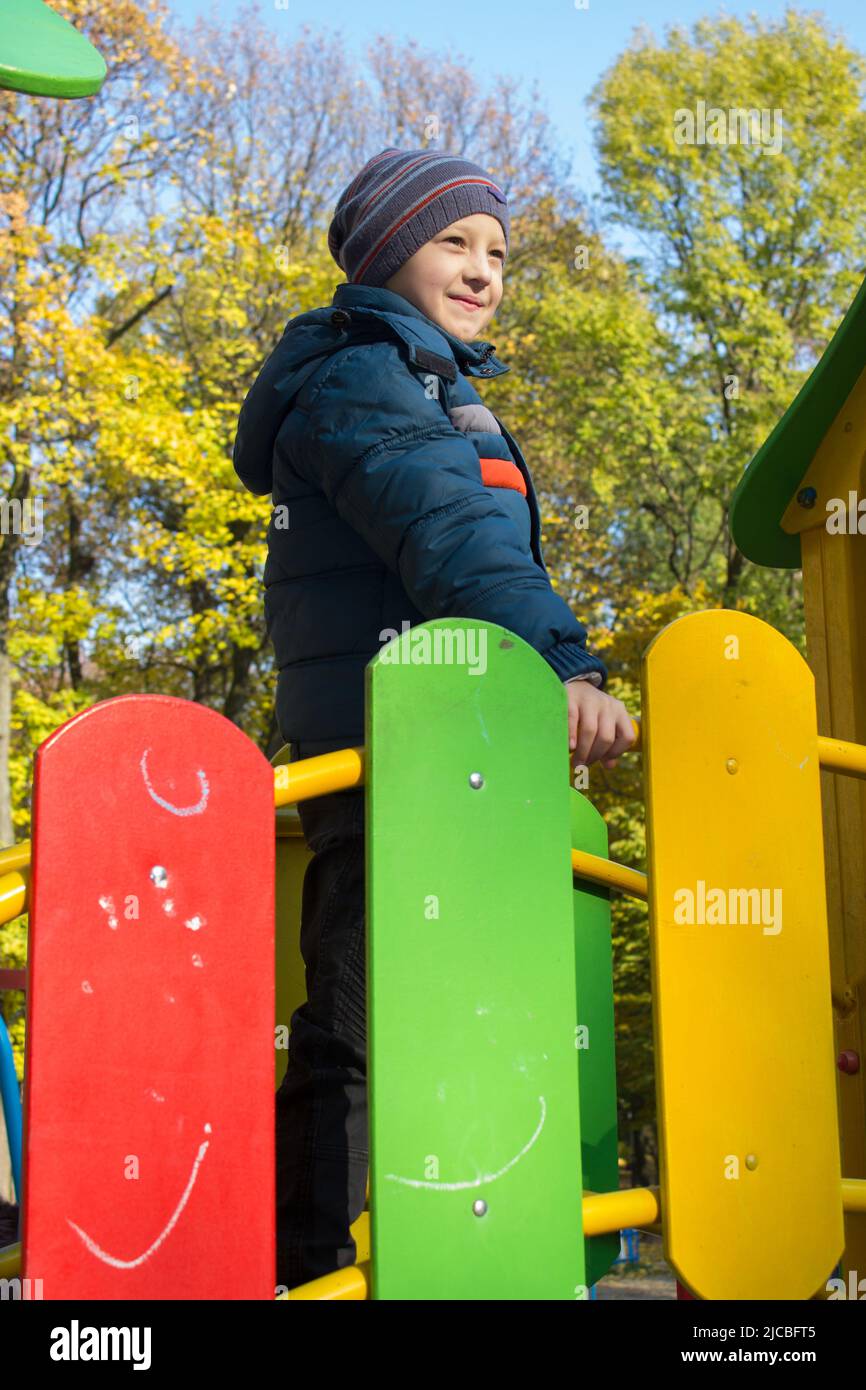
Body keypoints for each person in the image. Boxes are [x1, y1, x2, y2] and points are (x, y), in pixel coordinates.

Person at [232, 147, 636, 1290]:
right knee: (361, 1025)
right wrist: (556, 664)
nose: (482, 268)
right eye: (452, 241)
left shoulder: (429, 381)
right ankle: (293, 1265)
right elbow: (447, 535)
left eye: (497, 251)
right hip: (392, 765)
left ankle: (446, 1259)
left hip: (451, 764)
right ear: (381, 255)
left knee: (441, 1014)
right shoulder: (364, 381)